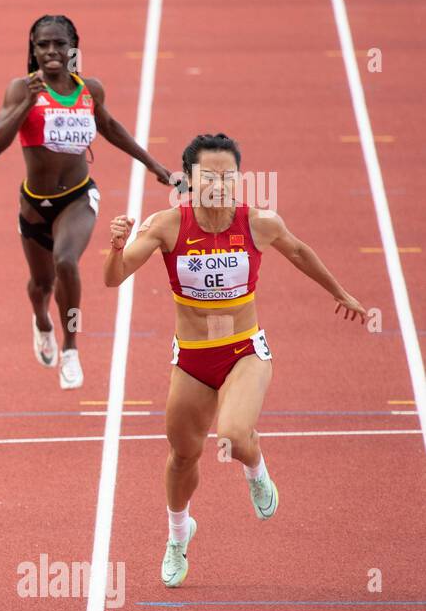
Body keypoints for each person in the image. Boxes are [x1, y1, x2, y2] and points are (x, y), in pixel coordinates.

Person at [103, 133, 366, 586]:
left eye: (229, 175)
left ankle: (256, 469)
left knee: (233, 435)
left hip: (244, 350)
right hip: (192, 359)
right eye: (210, 175)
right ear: (188, 179)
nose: (221, 183)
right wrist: (114, 246)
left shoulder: (258, 223)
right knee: (183, 456)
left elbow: (300, 252)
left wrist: (341, 292)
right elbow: (115, 278)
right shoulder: (166, 225)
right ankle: (178, 536)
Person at [0, 15, 172, 388]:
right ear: (33, 49)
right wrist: (28, 103)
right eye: (43, 45)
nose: (52, 51)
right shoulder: (19, 89)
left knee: (66, 262)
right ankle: (42, 321)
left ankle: (71, 348)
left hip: (78, 196)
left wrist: (154, 164)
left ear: (73, 48)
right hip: (34, 203)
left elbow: (108, 127)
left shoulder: (90, 89)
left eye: (59, 44)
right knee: (41, 285)